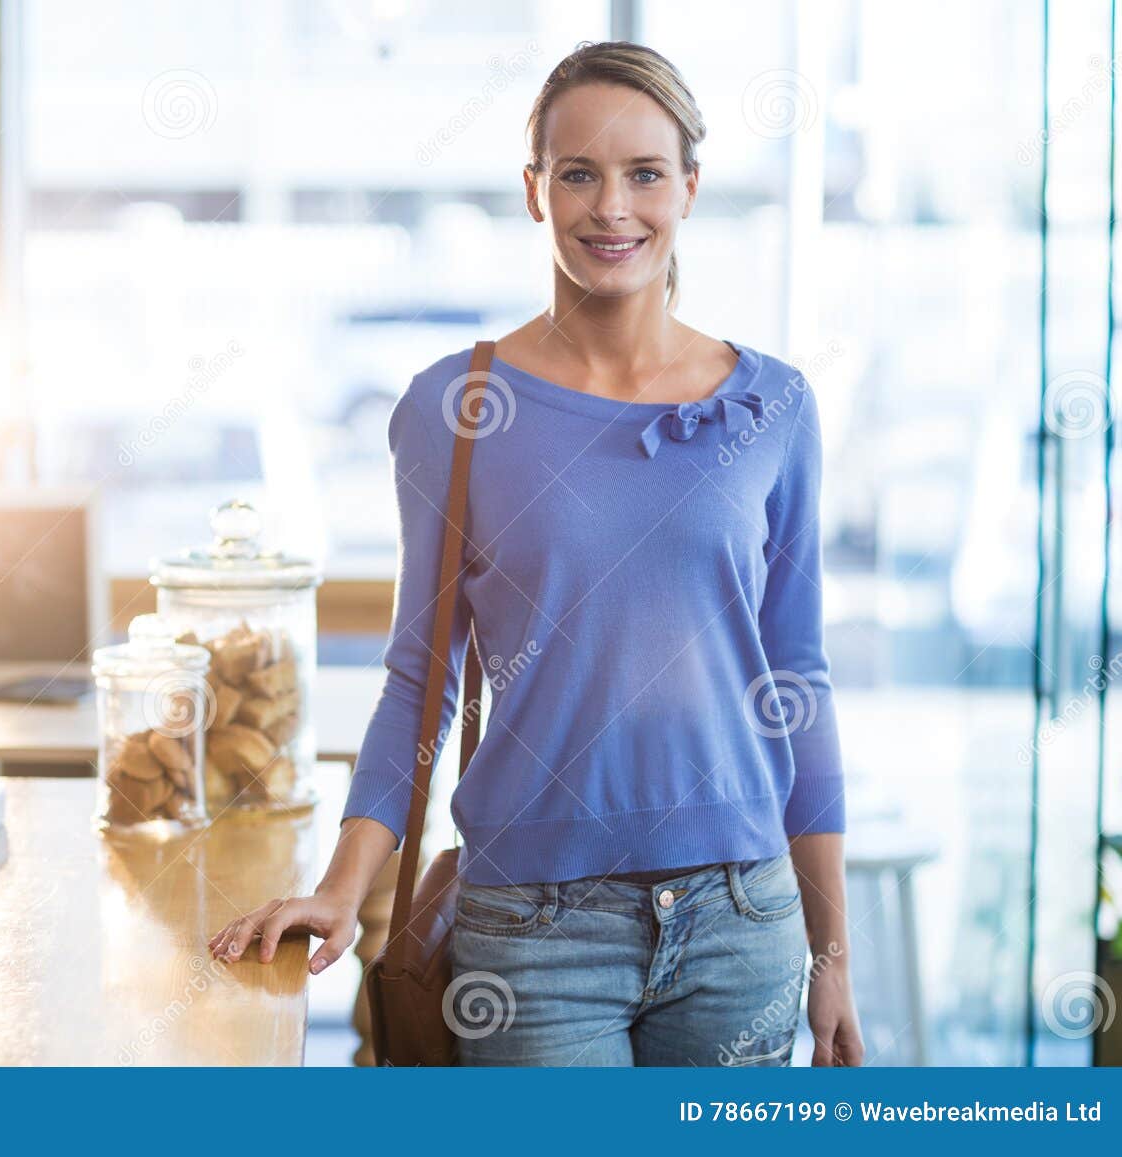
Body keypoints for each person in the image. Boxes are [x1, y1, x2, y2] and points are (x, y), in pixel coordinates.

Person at [208, 40, 865, 1068]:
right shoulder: (455, 409)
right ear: (533, 191)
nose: (613, 207)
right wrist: (343, 887)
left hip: (744, 918)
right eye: (579, 173)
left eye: (645, 173)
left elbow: (799, 677)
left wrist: (831, 948)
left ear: (688, 188)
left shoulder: (774, 405)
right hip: (533, 934)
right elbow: (417, 680)